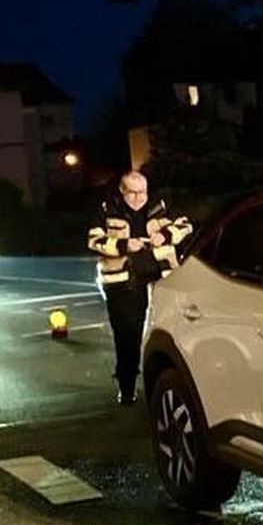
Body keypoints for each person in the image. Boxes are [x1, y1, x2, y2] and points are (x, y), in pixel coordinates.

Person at [86, 171, 192, 405]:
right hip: (123, 281)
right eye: (132, 192)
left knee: (171, 332)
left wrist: (165, 235)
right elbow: (94, 240)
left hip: (161, 278)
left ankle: (173, 385)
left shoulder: (160, 206)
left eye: (142, 192)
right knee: (127, 335)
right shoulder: (107, 209)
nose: (137, 197)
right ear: (122, 191)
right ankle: (127, 387)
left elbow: (185, 226)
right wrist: (124, 245)